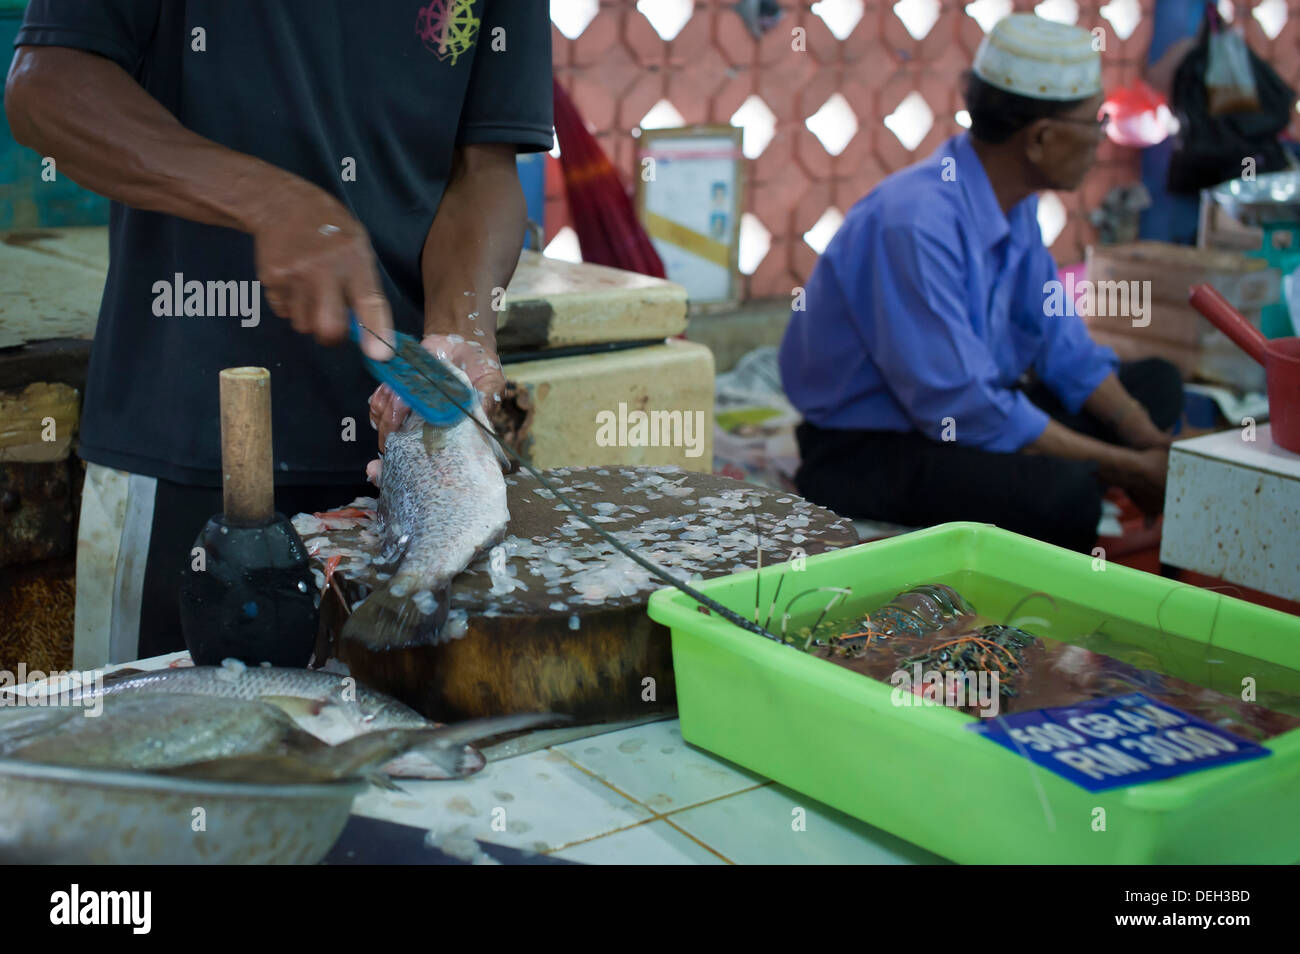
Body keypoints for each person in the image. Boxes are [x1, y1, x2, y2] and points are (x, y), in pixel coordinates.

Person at [5, 1, 553, 664]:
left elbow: (483, 166)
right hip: (183, 446)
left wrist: (461, 333)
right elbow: (48, 85)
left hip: (401, 450)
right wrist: (265, 199)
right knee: (174, 749)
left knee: (398, 747)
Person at [779, 13, 1183, 553]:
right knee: (1063, 497)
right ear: (1041, 138)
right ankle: (1089, 489)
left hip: (966, 417)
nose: (1101, 140)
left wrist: (1147, 441)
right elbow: (962, 407)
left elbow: (1064, 352)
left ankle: (1097, 473)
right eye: (1096, 123)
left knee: (1155, 383)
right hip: (870, 447)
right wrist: (1128, 466)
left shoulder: (1011, 205)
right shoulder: (913, 222)